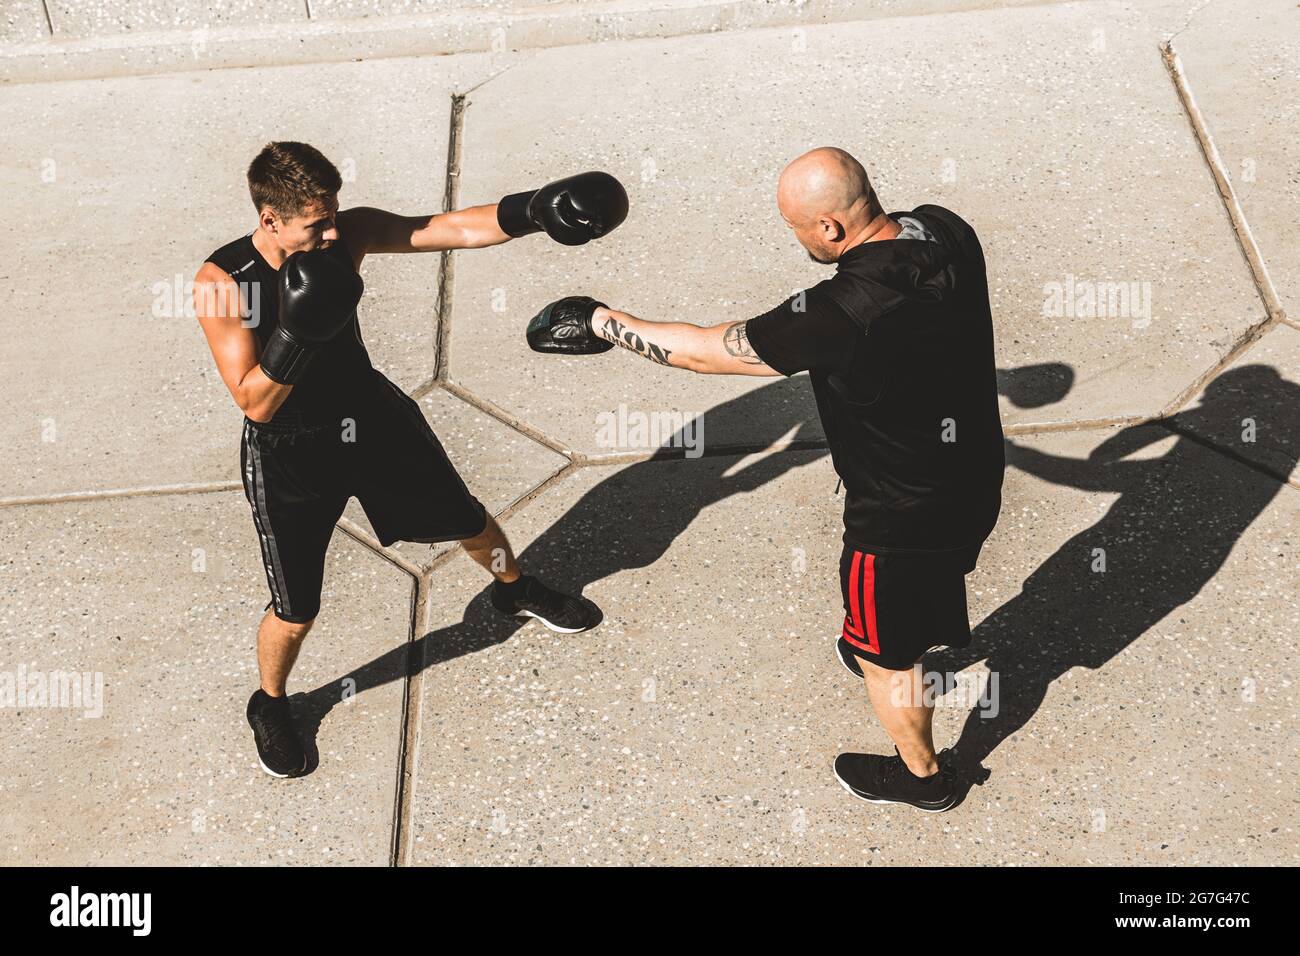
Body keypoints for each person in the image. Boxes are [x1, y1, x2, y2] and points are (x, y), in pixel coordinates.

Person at [526, 146, 1004, 811]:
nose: (801, 240)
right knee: (925, 587)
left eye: (799, 229)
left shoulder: (839, 310)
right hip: (974, 475)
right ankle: (893, 640)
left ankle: (926, 777)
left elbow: (708, 351)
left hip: (895, 518)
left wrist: (604, 322)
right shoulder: (943, 227)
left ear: (830, 230)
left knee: (888, 656)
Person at [194, 141, 628, 778]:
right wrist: (297, 334)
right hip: (290, 451)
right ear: (271, 221)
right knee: (296, 607)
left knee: (468, 519)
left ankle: (515, 589)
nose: (334, 230)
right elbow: (253, 402)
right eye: (317, 223)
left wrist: (534, 210)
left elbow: (448, 228)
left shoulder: (348, 234)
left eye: (334, 213)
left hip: (370, 417)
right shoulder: (221, 283)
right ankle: (271, 703)